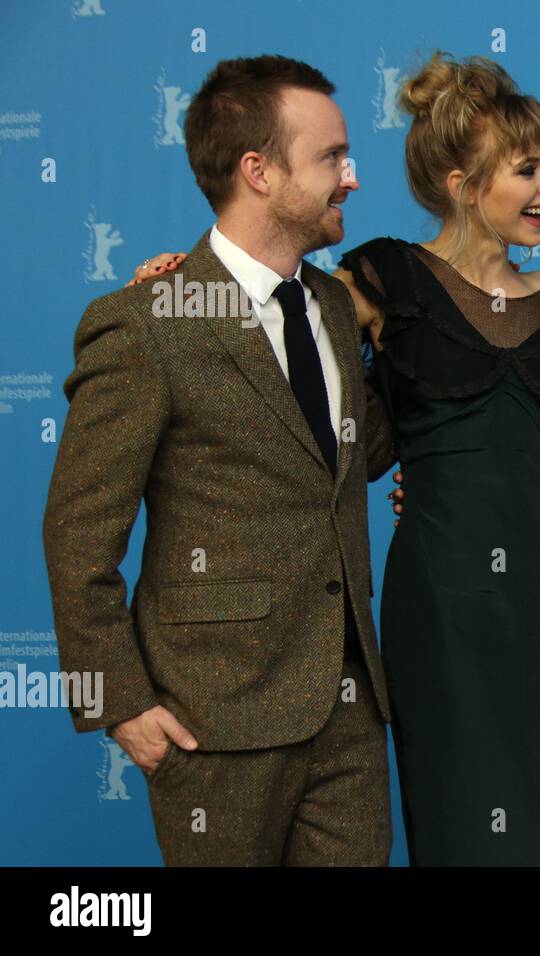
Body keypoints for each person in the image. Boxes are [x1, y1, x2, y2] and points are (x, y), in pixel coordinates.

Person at [44, 55, 395, 865]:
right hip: (213, 718)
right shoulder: (148, 322)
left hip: (350, 711)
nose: (352, 177)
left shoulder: (338, 306)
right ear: (258, 171)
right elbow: (77, 531)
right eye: (332, 158)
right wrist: (120, 703)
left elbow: (352, 458)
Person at [335, 54, 540, 865]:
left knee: (538, 833)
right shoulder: (381, 276)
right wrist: (179, 289)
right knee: (458, 825)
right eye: (530, 169)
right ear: (465, 181)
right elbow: (276, 340)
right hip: (440, 606)